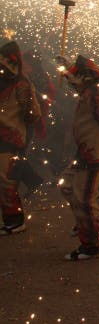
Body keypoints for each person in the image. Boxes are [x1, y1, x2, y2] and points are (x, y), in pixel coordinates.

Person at [57, 55, 99, 259]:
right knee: (67, 185)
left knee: (84, 198)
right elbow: (76, 80)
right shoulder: (90, 91)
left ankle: (91, 245)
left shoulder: (95, 94)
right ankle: (84, 222)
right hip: (87, 150)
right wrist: (67, 67)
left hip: (96, 152)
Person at [0, 41, 42, 235]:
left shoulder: (22, 84)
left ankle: (15, 222)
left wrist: (19, 127)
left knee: (5, 181)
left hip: (10, 137)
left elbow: (33, 113)